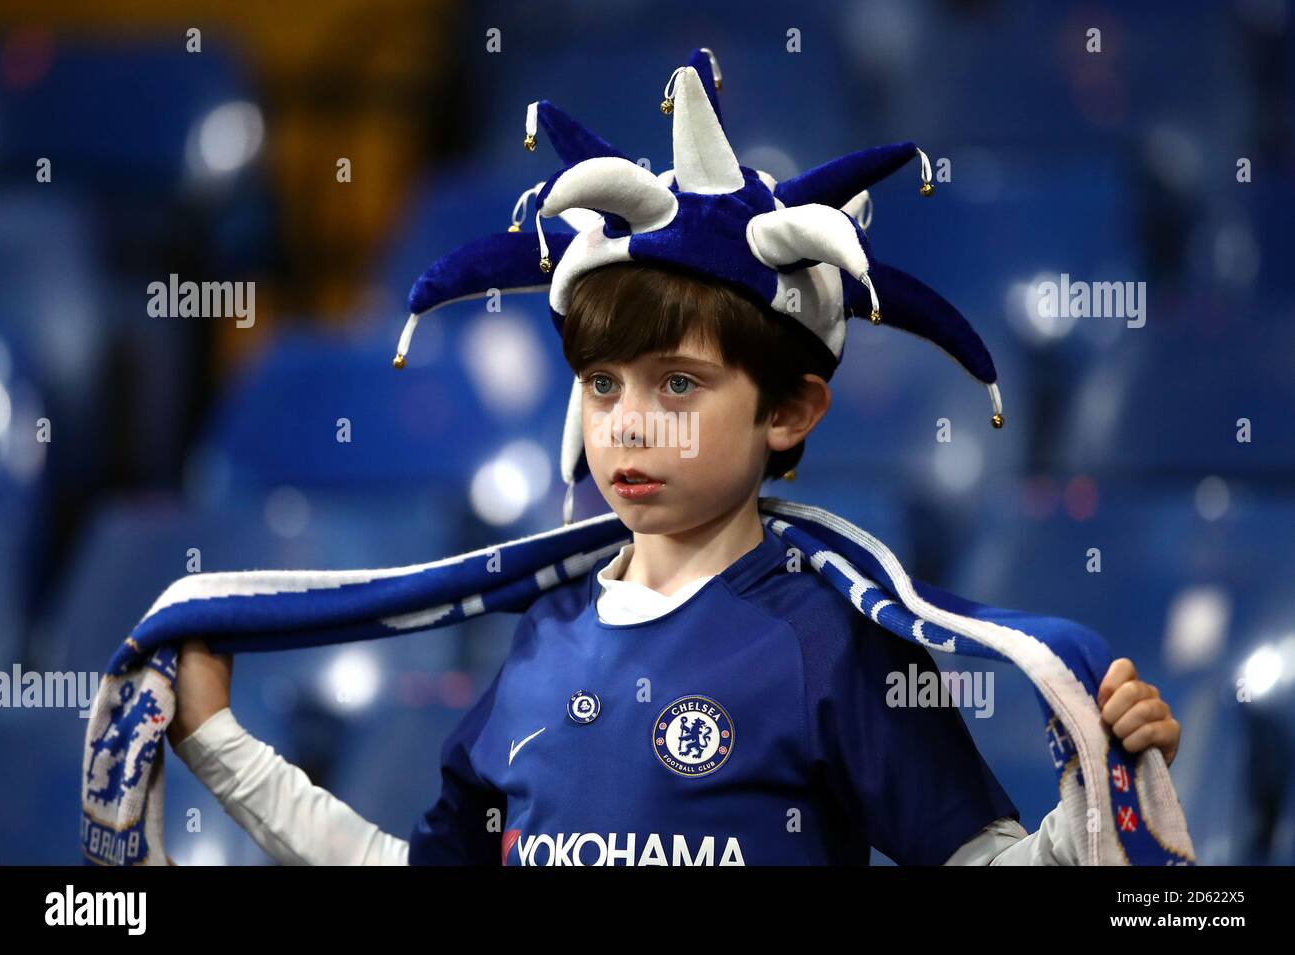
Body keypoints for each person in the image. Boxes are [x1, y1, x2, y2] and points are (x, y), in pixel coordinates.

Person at [167, 260, 1180, 866]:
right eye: (603, 384)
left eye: (680, 384)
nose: (630, 424)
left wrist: (1100, 793)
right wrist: (217, 741)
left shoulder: (829, 641)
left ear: (788, 410)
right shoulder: (542, 641)